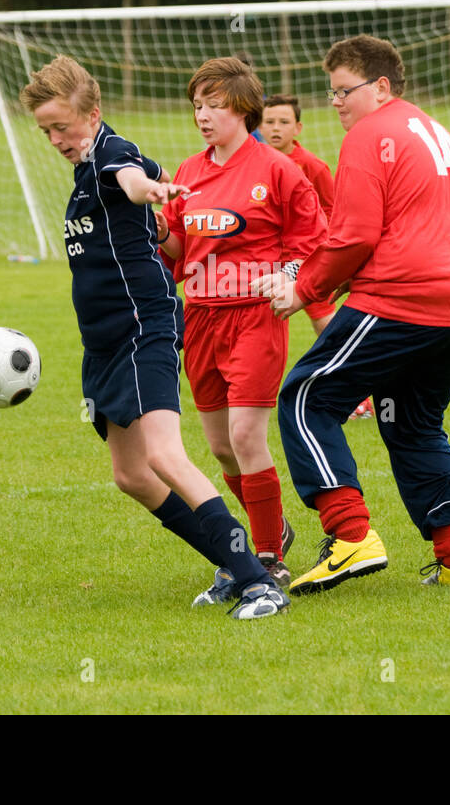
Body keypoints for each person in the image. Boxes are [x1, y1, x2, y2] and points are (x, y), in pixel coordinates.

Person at [21, 55, 287, 619]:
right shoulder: (82, 172)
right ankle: (235, 563)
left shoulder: (113, 153)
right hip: (104, 342)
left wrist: (151, 192)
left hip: (144, 326)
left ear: (91, 114)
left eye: (61, 125)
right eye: (45, 130)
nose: (54, 138)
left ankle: (257, 580)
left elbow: (134, 180)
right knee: (132, 475)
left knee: (165, 454)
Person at [255, 35, 450, 596]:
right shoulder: (432, 128)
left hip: (409, 293)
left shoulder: (370, 133)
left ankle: (351, 536)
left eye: (346, 90)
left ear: (382, 86)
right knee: (412, 420)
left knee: (307, 397)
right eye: (331, 91)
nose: (336, 102)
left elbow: (356, 234)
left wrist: (304, 287)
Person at [157, 59, 328, 589]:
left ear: (243, 109)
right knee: (220, 447)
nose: (202, 116)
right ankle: (271, 525)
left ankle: (268, 557)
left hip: (255, 318)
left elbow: (315, 241)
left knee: (246, 434)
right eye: (196, 107)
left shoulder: (278, 169)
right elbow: (181, 251)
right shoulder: (189, 172)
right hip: (201, 318)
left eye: (213, 105)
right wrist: (153, 225)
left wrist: (289, 280)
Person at [260, 94, 375, 420]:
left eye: (284, 122)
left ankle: (360, 396)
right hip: (267, 264)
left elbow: (335, 211)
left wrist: (318, 252)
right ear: (259, 125)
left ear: (297, 127)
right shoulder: (255, 163)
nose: (276, 128)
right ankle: (252, 399)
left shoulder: (311, 166)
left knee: (328, 329)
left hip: (307, 261)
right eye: (269, 122)